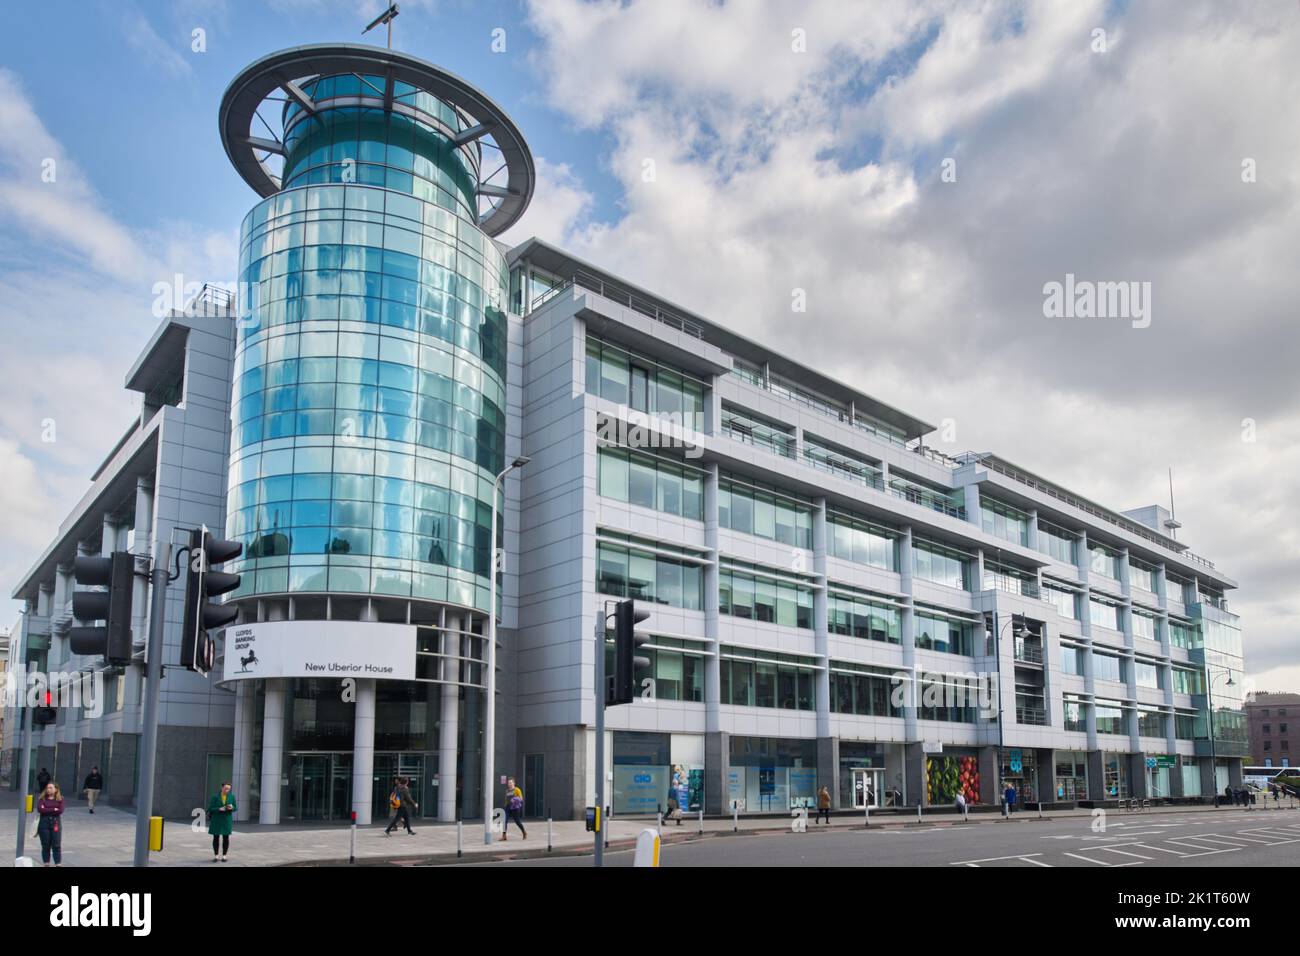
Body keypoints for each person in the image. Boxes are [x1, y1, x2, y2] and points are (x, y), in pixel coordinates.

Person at [36, 782, 64, 867]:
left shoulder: (60, 799)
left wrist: (47, 809)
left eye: (51, 788)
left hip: (55, 823)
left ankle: (58, 863)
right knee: (45, 845)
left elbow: (60, 810)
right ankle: (46, 863)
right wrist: (54, 809)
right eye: (47, 788)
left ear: (56, 789)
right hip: (44, 824)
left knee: (56, 845)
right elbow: (40, 809)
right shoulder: (42, 798)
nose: (48, 790)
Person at [207, 782, 236, 862]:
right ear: (222, 787)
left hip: (226, 820)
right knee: (216, 837)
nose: (227, 790)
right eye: (226, 788)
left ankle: (224, 856)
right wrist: (219, 809)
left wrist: (232, 808)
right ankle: (216, 856)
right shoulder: (215, 797)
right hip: (216, 820)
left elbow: (235, 807)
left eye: (229, 789)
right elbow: (210, 808)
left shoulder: (232, 796)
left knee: (226, 838)